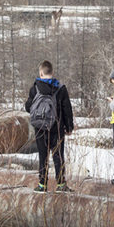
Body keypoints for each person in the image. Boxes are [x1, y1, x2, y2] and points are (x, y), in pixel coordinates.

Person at [24, 60, 74, 192]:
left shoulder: (35, 88)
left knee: (43, 155)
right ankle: (61, 185)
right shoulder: (61, 88)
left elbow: (28, 107)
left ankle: (42, 184)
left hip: (40, 128)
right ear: (52, 72)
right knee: (58, 155)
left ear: (41, 73)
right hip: (56, 127)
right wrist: (69, 127)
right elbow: (67, 109)